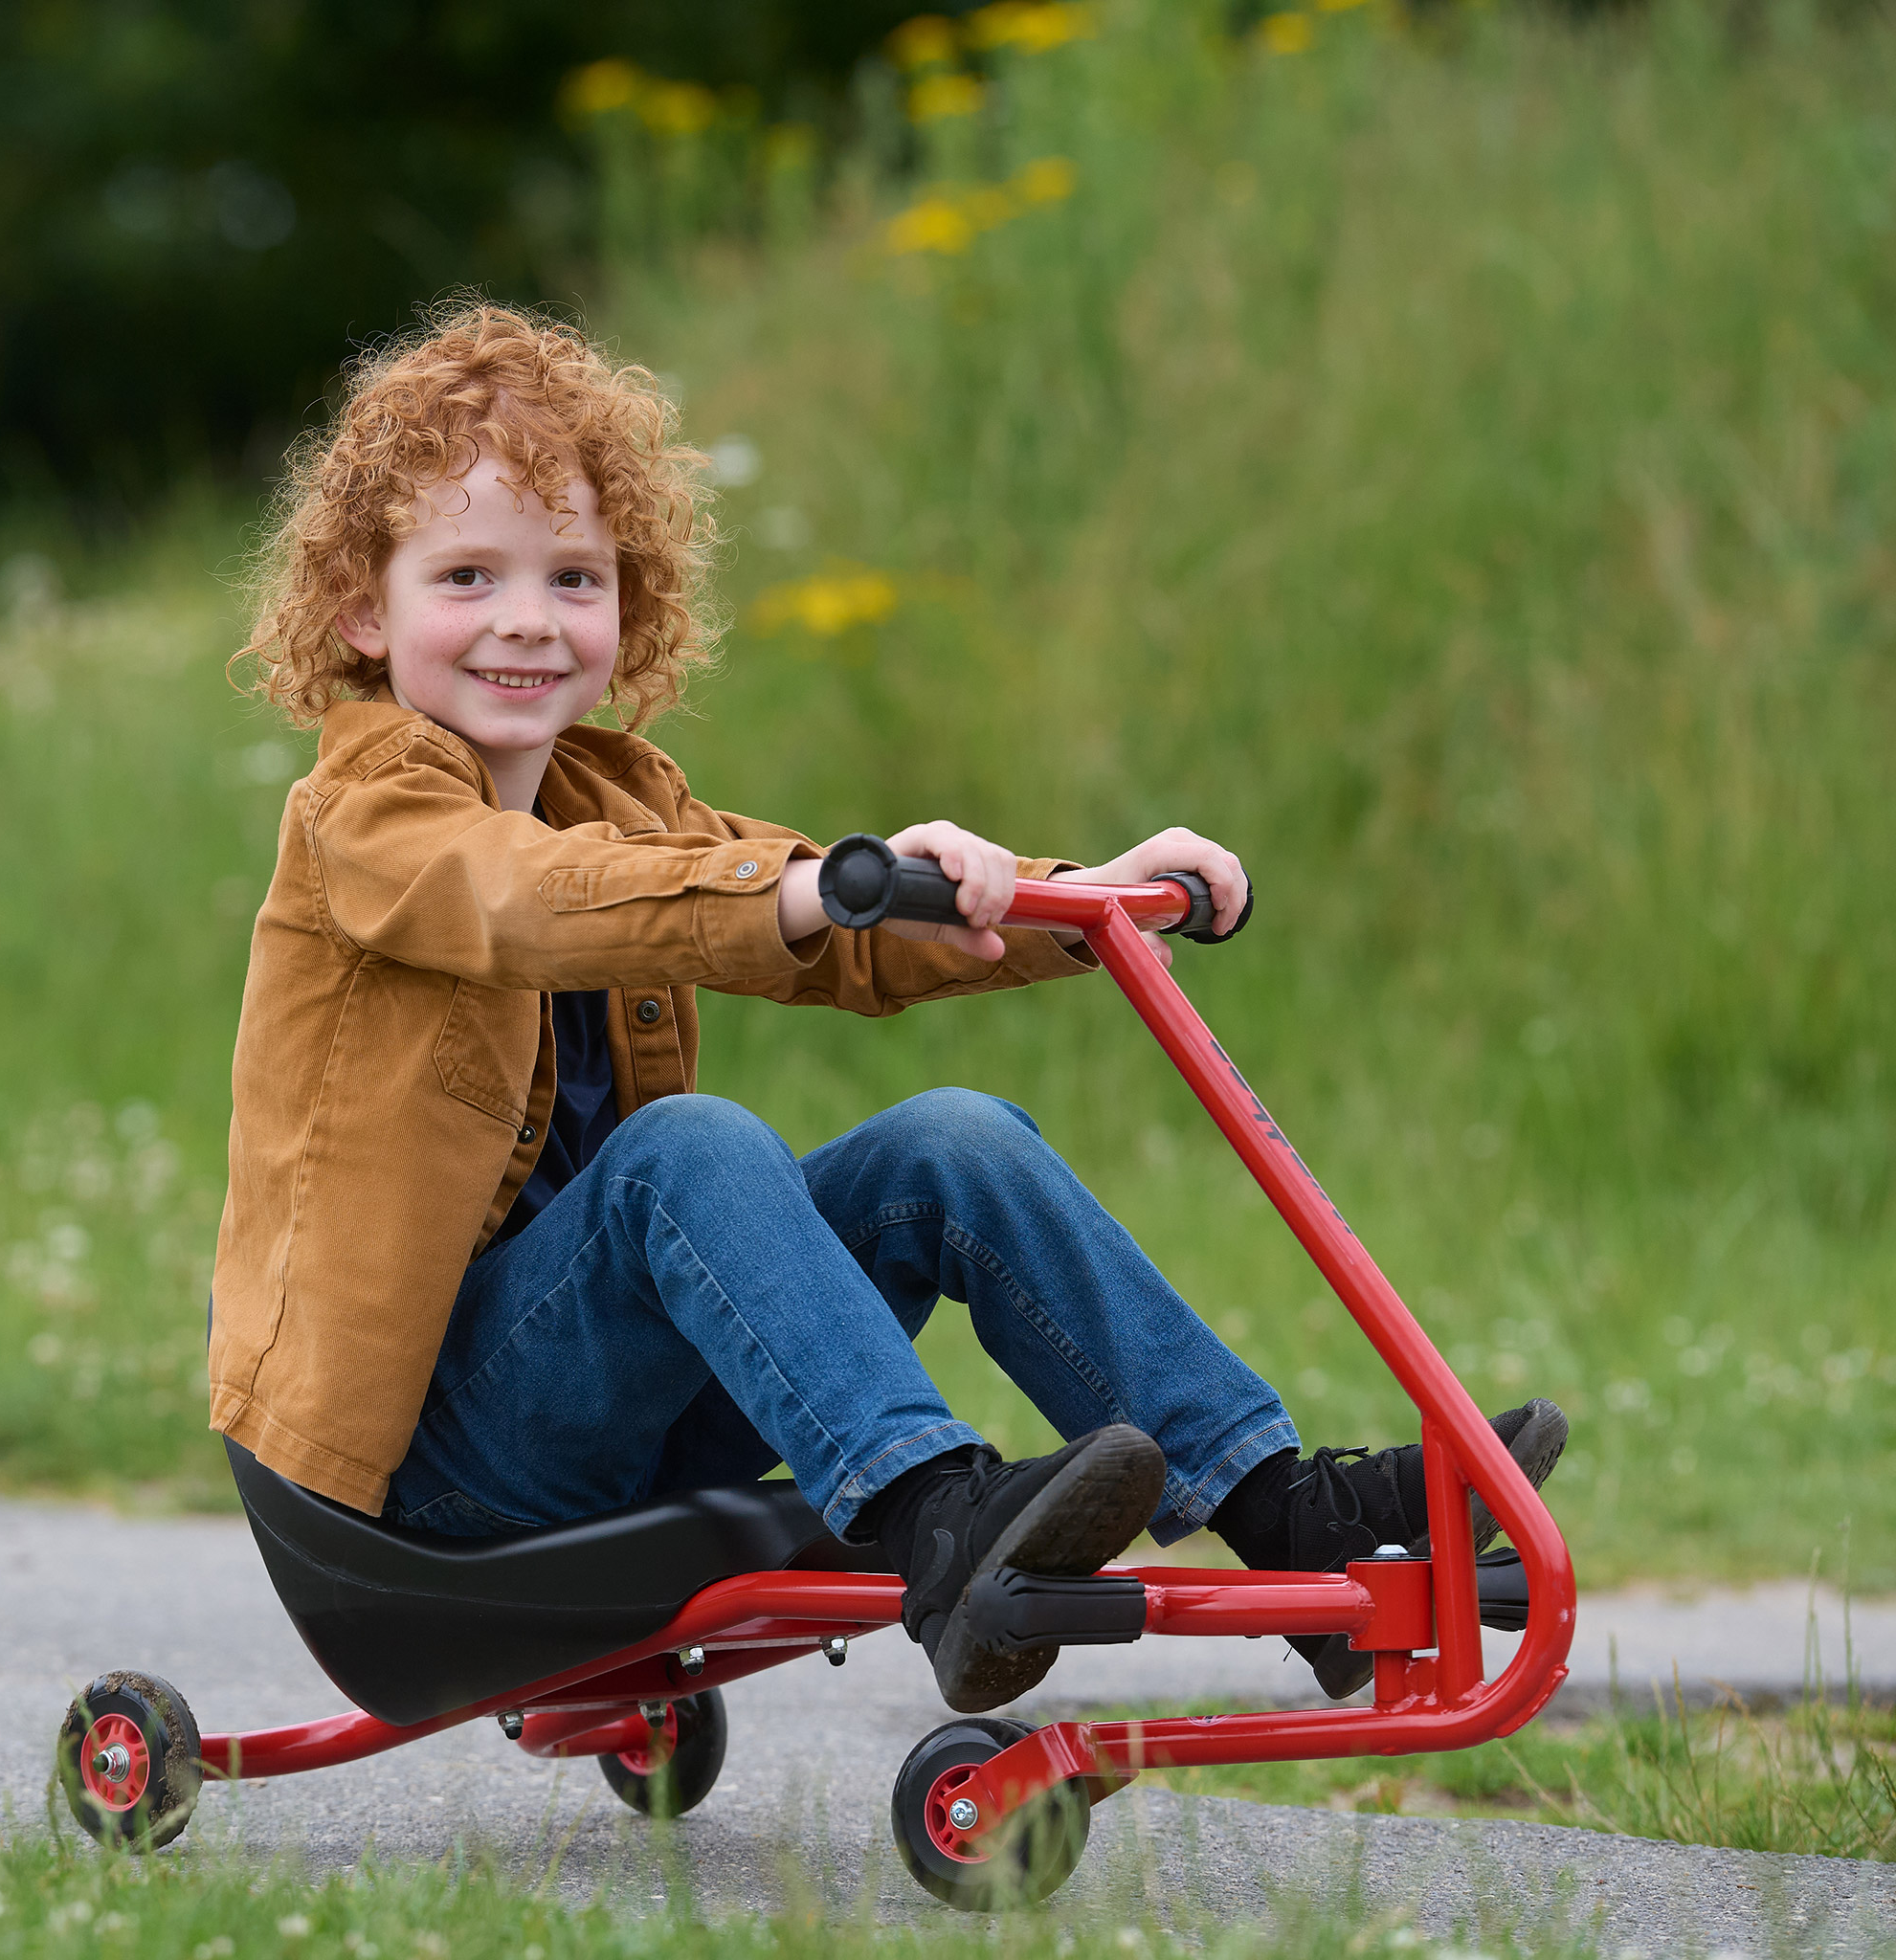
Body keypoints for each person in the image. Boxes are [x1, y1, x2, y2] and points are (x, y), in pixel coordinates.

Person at [212, 303, 1565, 1715]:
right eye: (468, 575)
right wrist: (793, 892)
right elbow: (527, 897)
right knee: (689, 1154)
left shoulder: (623, 796)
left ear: (632, 600)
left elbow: (823, 923)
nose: (528, 622)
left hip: (625, 1404)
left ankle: (1284, 1509)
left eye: (575, 577)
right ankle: (944, 1521)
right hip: (427, 1469)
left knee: (954, 1143)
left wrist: (1073, 898)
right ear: (364, 608)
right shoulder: (357, 818)